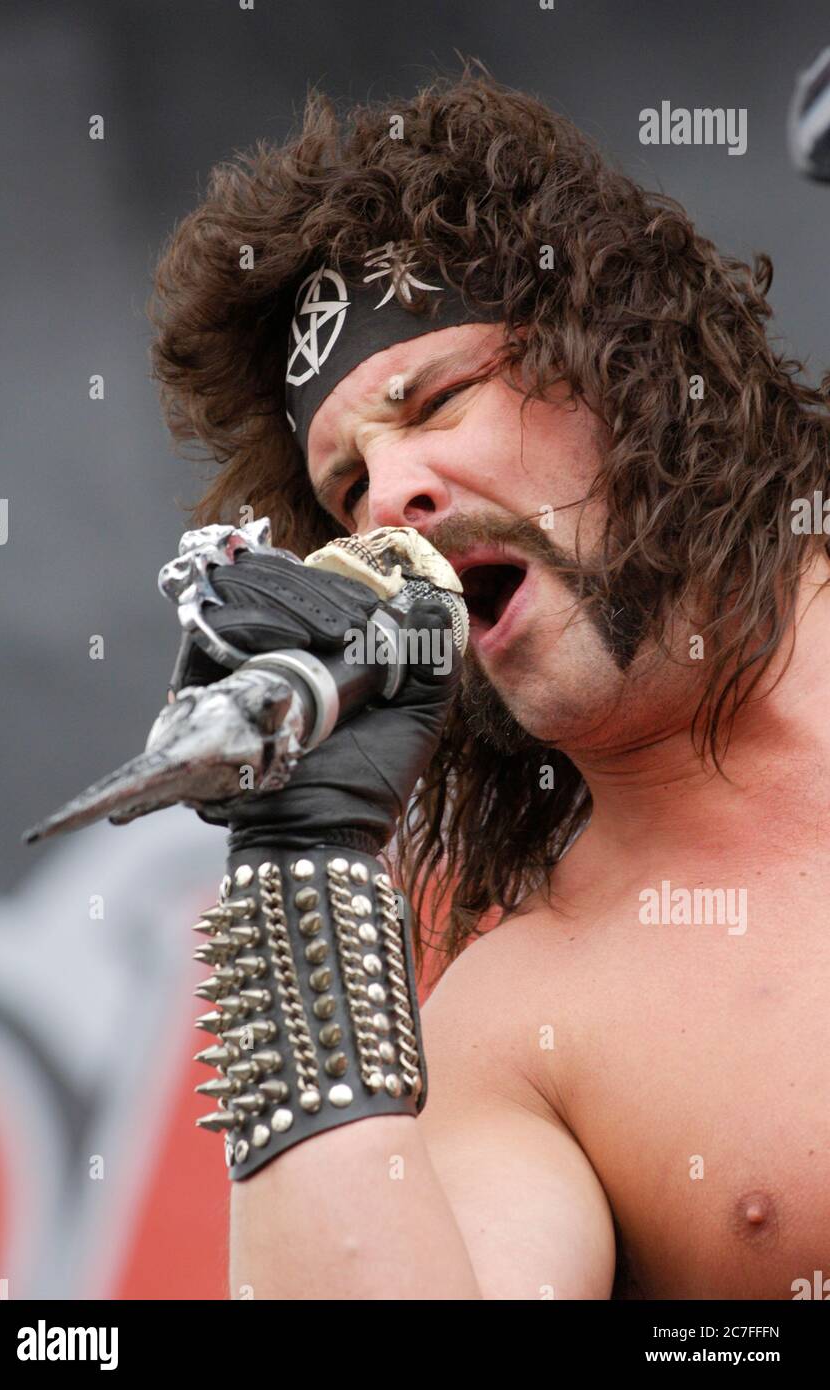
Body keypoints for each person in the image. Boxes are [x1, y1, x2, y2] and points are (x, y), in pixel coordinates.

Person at [147, 64, 830, 1300]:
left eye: (437, 399)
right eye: (346, 485)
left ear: (626, 362)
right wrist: (297, 868)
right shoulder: (524, 1027)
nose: (390, 496)